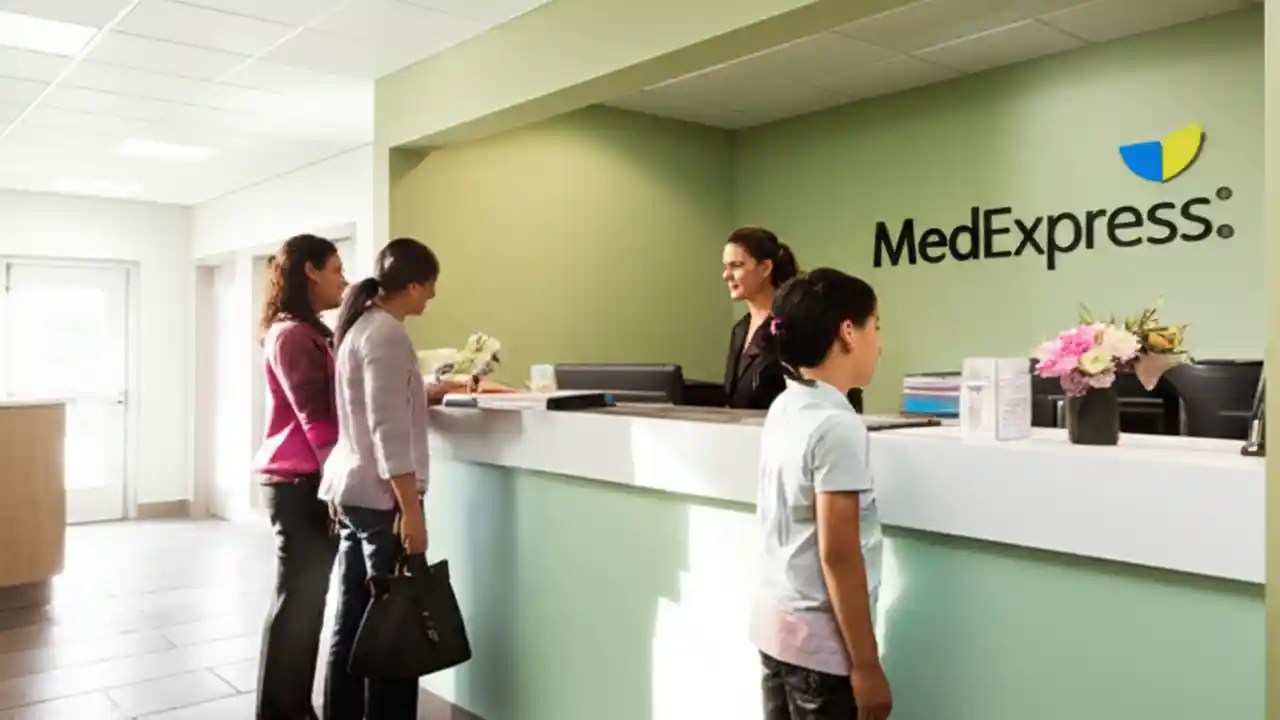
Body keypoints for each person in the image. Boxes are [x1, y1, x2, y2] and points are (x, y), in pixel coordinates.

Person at [320, 238, 462, 720]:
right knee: (393, 633)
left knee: (356, 622)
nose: (433, 297)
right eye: (431, 286)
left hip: (356, 493)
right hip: (383, 502)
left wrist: (424, 393)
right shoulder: (387, 335)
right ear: (415, 284)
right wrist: (411, 508)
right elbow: (388, 431)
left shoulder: (360, 327)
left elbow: (373, 410)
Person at [751, 268, 892, 720]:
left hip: (776, 631)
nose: (880, 343)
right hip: (822, 654)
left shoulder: (785, 406)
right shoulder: (837, 425)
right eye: (877, 327)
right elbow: (840, 555)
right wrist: (867, 666)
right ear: (848, 332)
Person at [253, 234, 348, 720]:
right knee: (298, 603)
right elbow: (316, 417)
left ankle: (289, 709)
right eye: (336, 269)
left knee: (306, 602)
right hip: (300, 483)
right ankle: (283, 712)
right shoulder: (292, 335)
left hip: (307, 480)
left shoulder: (311, 332)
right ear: (310, 271)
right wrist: (336, 486)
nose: (343, 280)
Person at [722, 227, 864, 412]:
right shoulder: (740, 329)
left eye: (737, 265)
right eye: (726, 266)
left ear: (765, 268)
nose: (726, 275)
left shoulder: (795, 324)